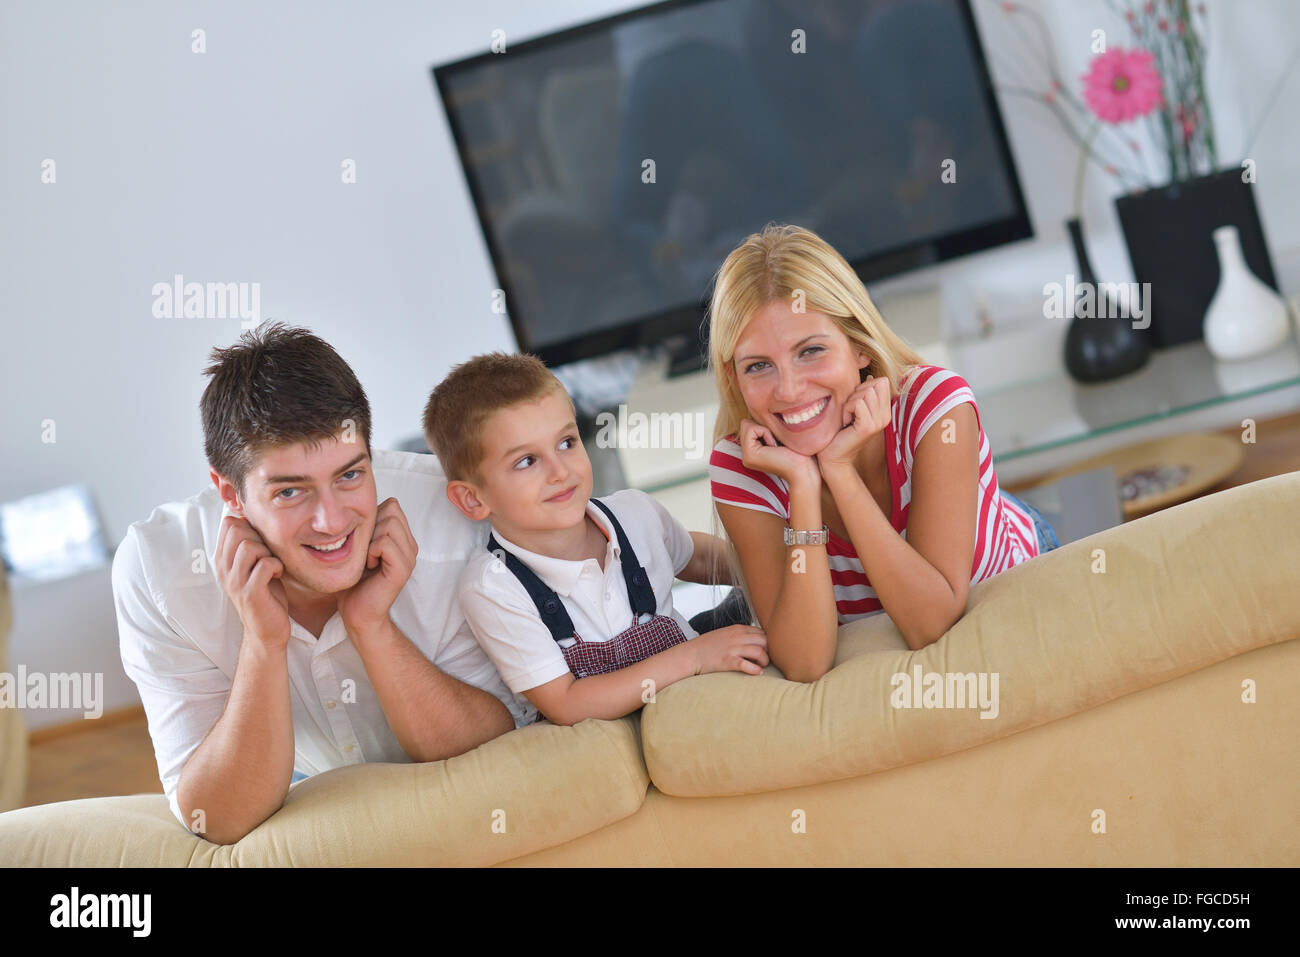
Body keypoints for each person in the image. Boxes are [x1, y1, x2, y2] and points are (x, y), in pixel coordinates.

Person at [114, 323, 534, 845]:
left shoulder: (451, 515)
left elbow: (502, 747)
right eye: (291, 492)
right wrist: (264, 644)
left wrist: (371, 626)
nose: (332, 522)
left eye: (350, 475)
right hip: (304, 795)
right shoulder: (160, 572)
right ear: (230, 492)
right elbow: (214, 818)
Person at [706, 224, 1060, 682]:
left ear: (858, 347)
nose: (789, 390)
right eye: (758, 366)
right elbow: (804, 662)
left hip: (1014, 545)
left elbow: (930, 623)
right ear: (734, 378)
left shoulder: (936, 408)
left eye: (811, 350)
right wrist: (804, 487)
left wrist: (839, 471)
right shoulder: (743, 466)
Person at [423, 352, 768, 727]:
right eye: (526, 461)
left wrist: (779, 564)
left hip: (693, 695)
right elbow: (567, 703)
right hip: (642, 707)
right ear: (473, 499)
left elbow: (699, 558)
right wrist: (695, 657)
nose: (560, 471)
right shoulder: (493, 587)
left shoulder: (634, 514)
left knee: (753, 609)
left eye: (566, 442)